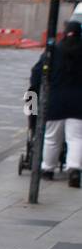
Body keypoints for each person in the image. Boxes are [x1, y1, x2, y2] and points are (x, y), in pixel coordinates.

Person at [31, 20, 82, 188]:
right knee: (76, 138)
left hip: (55, 100)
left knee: (51, 138)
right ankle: (74, 169)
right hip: (78, 102)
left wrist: (34, 89)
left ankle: (48, 169)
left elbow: (37, 72)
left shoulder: (53, 51)